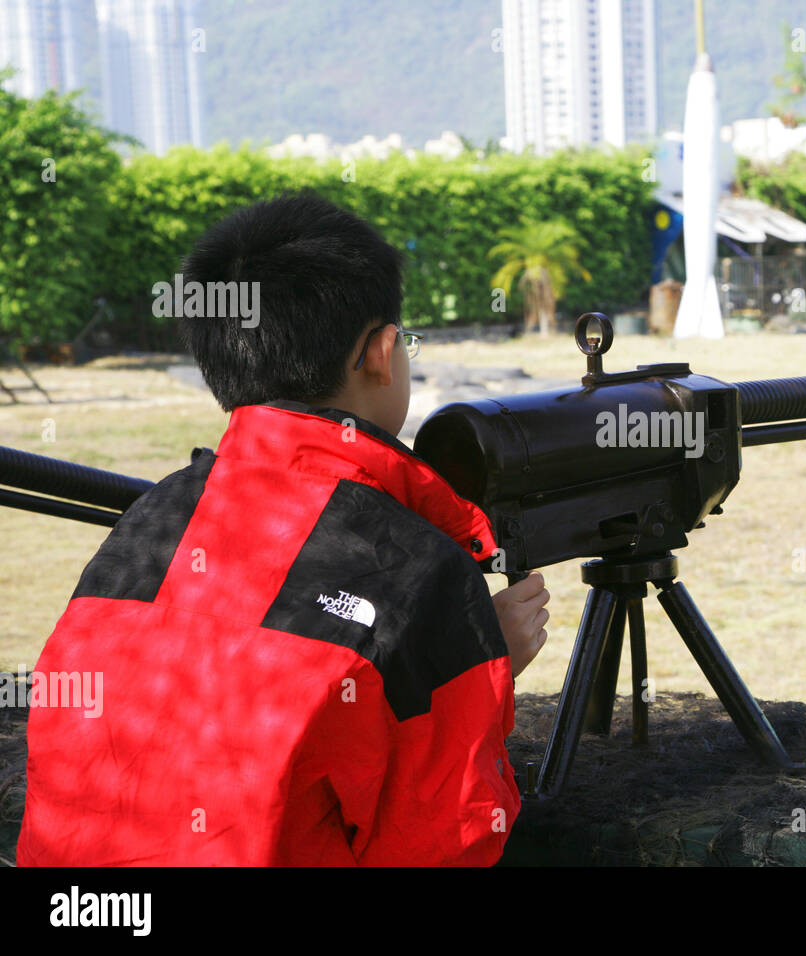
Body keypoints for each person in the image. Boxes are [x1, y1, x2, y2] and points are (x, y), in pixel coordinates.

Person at [18, 192, 549, 866]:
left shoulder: (147, 521)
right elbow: (447, 840)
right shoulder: (417, 567)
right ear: (382, 353)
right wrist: (479, 661)